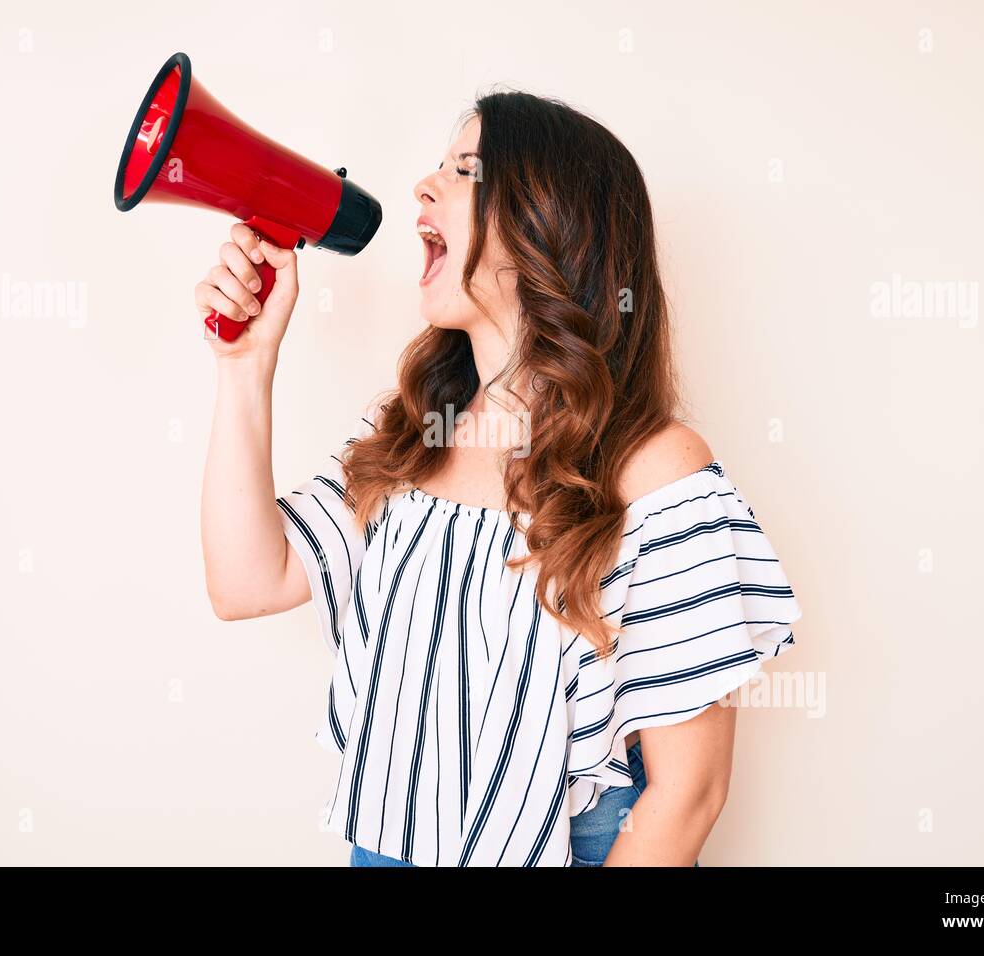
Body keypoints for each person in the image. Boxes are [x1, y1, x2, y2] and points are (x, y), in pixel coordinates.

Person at [197, 91, 802, 867]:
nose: (423, 184)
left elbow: (688, 797)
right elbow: (245, 582)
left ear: (552, 227)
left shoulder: (657, 470)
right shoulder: (410, 438)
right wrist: (245, 368)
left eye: (464, 169)